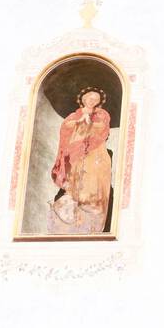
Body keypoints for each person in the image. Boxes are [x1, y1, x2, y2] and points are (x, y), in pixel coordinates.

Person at [48, 87, 112, 234]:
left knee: (93, 173)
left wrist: (88, 122)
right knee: (75, 173)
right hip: (76, 150)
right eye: (90, 97)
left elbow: (103, 127)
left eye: (96, 99)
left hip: (95, 150)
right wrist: (80, 121)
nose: (92, 101)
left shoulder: (101, 113)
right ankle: (73, 197)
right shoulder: (74, 115)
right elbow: (66, 127)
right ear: (83, 98)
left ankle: (90, 200)